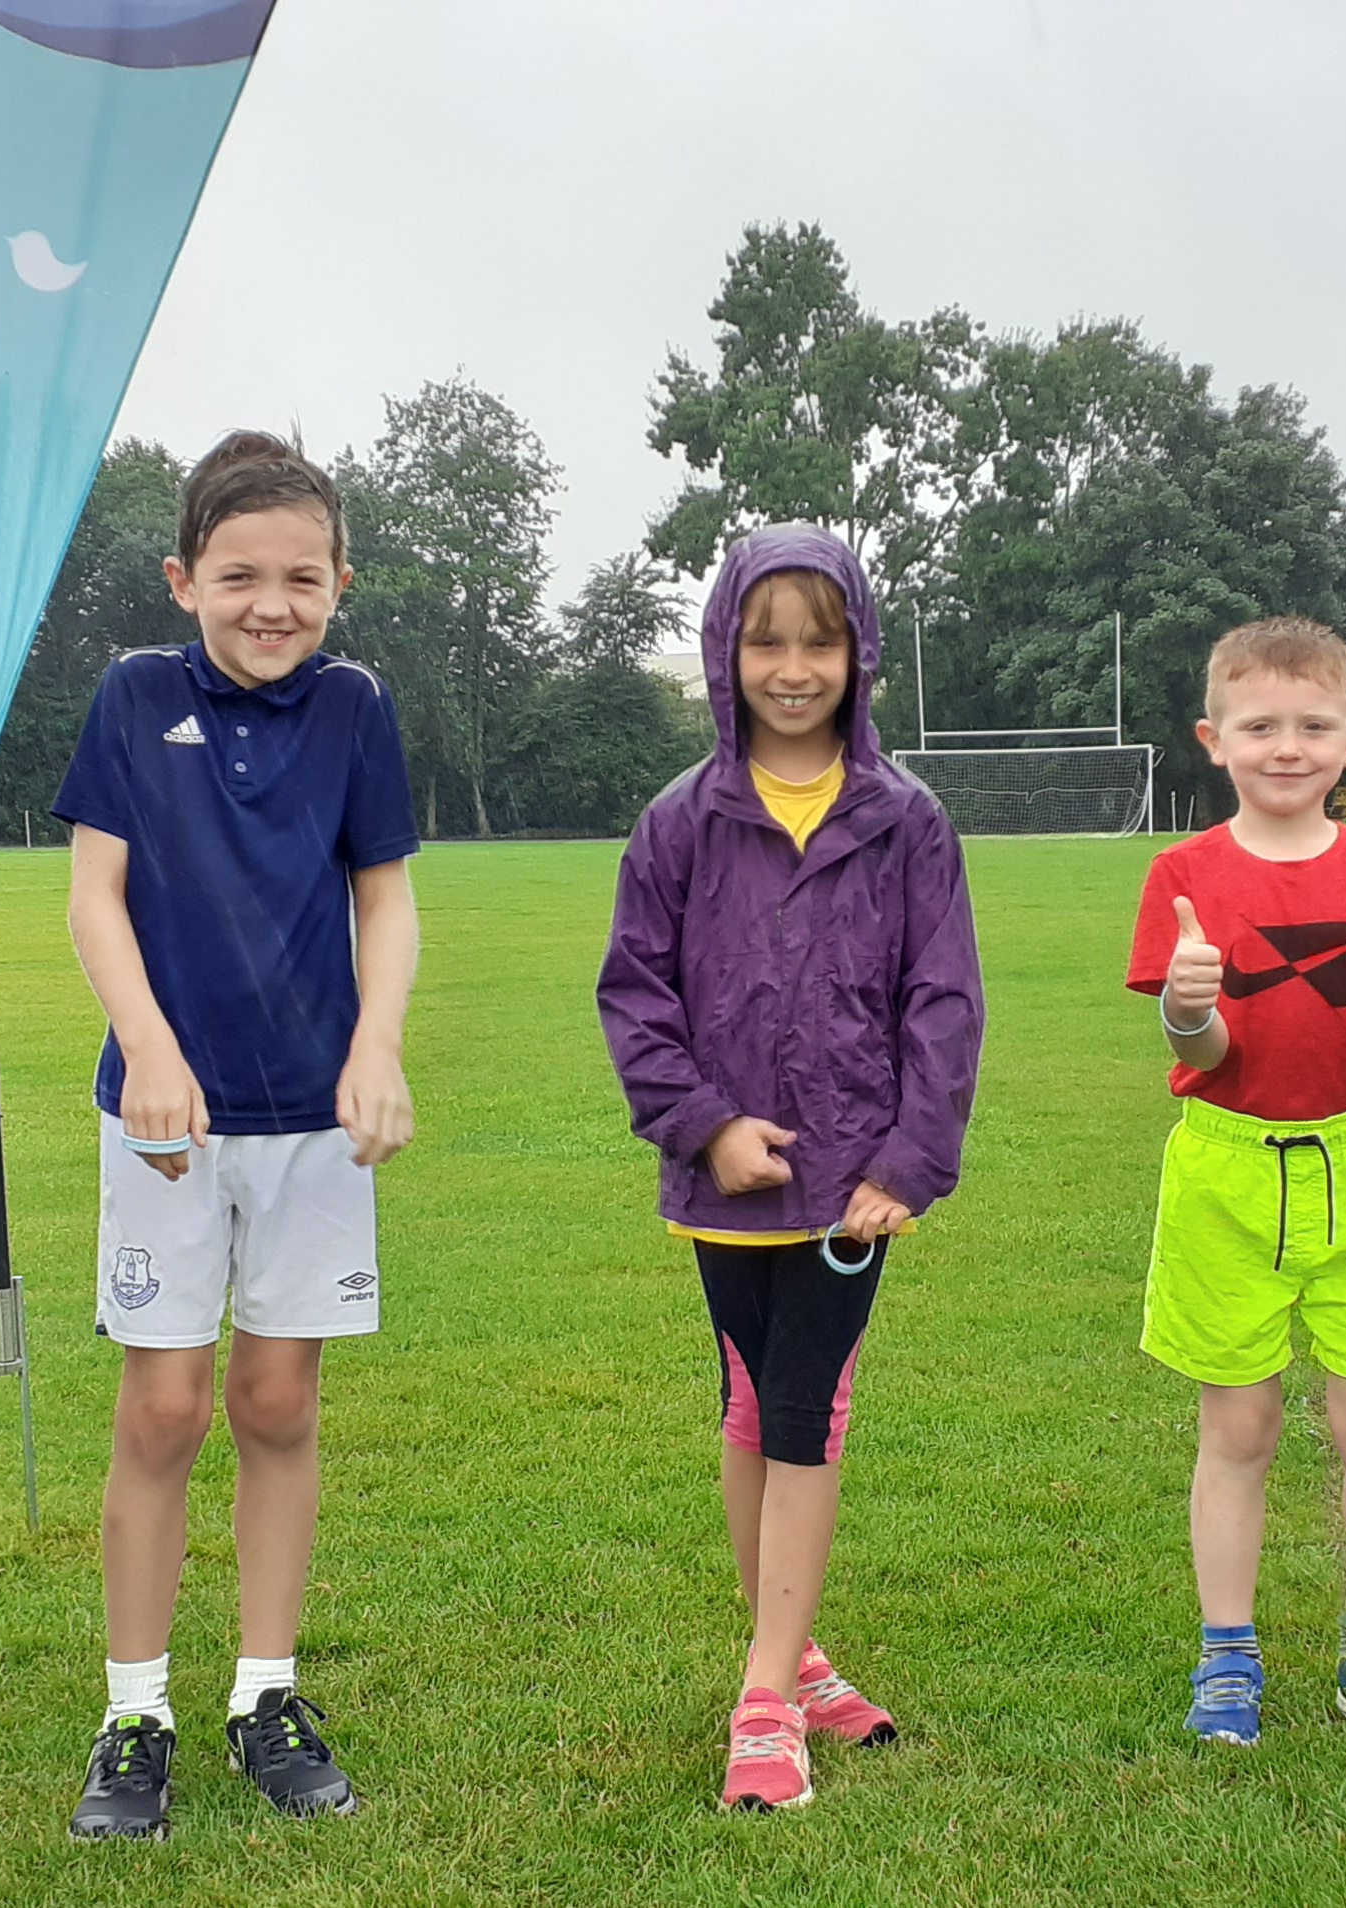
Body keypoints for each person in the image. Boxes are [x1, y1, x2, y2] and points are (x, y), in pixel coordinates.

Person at [49, 432, 419, 1840]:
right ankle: (133, 1712)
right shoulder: (134, 698)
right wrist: (147, 1047)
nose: (272, 604)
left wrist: (374, 1048)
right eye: (240, 576)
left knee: (276, 1404)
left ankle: (265, 1693)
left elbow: (382, 898)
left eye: (301, 579)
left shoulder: (356, 707)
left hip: (311, 1121)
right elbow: (94, 896)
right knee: (162, 1410)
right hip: (165, 1121)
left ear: (338, 585)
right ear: (182, 578)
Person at [597, 524, 985, 1813]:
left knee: (807, 1406)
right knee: (753, 1405)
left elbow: (943, 1000)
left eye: (820, 640)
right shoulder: (676, 822)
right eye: (766, 640)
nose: (793, 667)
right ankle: (799, 1655)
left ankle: (763, 1696)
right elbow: (634, 995)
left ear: (858, 651)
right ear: (725, 650)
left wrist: (909, 1161)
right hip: (725, 1188)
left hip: (851, 1190)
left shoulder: (906, 821)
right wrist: (703, 1125)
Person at [1125, 618, 1346, 1749]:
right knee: (1240, 1424)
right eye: (1259, 726)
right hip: (1226, 1168)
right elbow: (1202, 1054)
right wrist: (1186, 1007)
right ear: (1213, 739)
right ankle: (1228, 1654)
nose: (1287, 747)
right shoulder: (1182, 875)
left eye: (1314, 726)